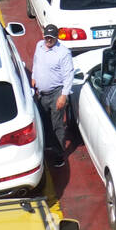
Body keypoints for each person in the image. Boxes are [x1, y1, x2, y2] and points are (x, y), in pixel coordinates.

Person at [31, 24, 74, 169]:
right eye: (47, 37)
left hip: (56, 93)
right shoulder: (39, 46)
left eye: (51, 38)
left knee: (57, 125)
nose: (48, 40)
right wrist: (34, 77)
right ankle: (49, 145)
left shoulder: (63, 53)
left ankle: (58, 154)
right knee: (44, 121)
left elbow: (68, 76)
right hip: (42, 94)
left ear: (56, 37)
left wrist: (63, 96)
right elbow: (36, 63)